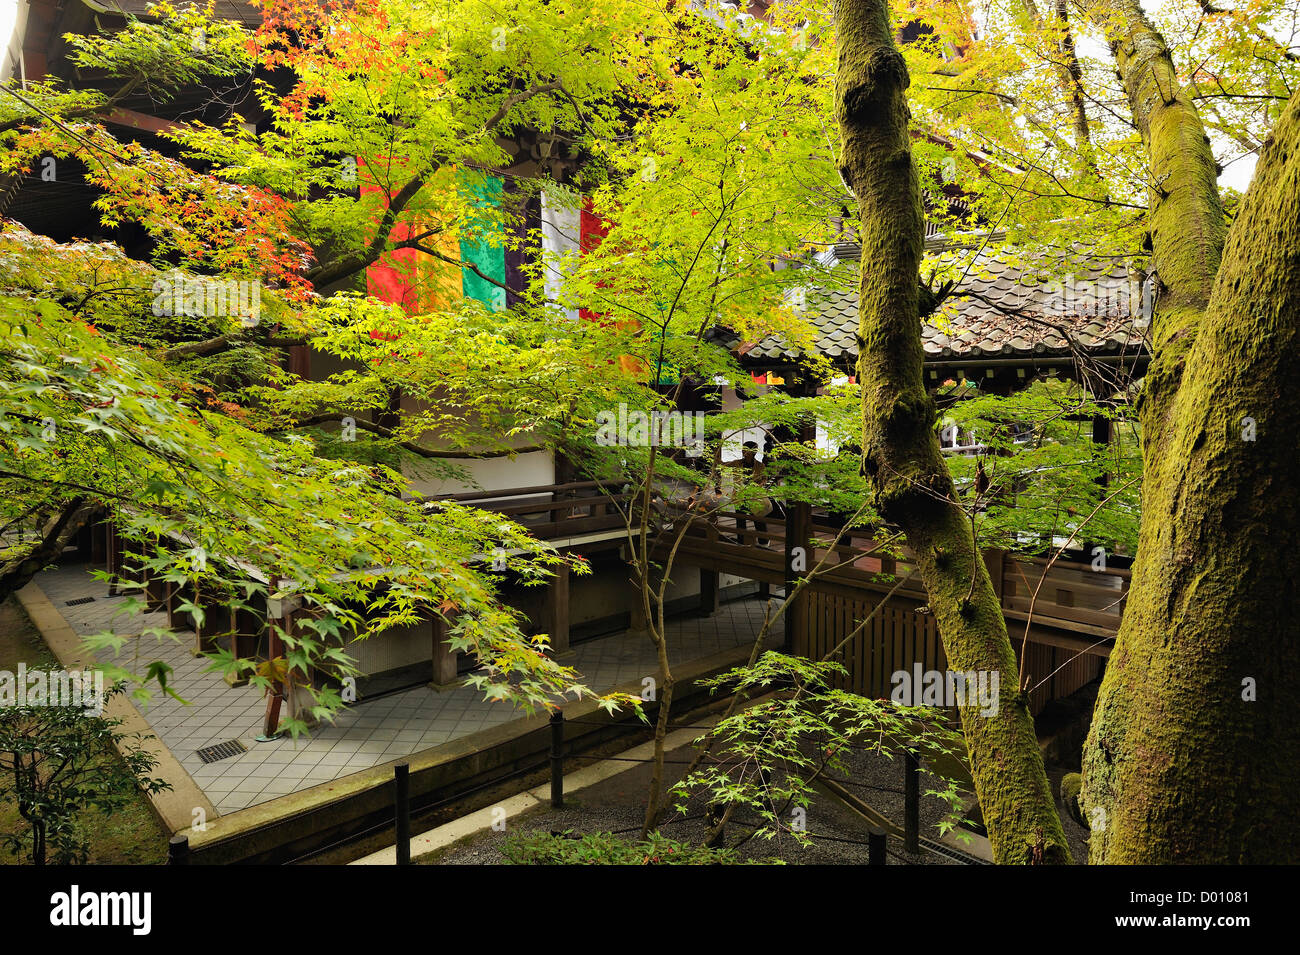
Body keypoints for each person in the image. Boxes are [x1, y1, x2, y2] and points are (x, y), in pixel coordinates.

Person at [715, 439, 772, 545]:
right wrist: (715, 454)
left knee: (758, 518)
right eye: (743, 450)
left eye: (746, 450)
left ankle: (764, 542)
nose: (743, 452)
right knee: (740, 520)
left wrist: (760, 484)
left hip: (754, 496)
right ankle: (741, 542)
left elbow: (765, 479)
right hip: (739, 496)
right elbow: (722, 465)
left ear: (753, 452)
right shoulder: (737, 463)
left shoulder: (760, 466)